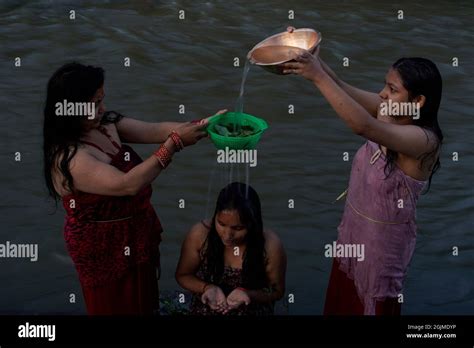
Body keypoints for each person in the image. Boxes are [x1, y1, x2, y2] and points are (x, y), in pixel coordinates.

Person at [43, 62, 226, 315]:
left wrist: (207, 125)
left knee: (143, 300)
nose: (103, 108)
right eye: (95, 104)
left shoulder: (107, 125)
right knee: (114, 305)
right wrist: (173, 145)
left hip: (136, 230)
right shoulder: (71, 158)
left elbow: (157, 130)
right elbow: (128, 184)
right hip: (101, 246)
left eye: (102, 100)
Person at [284, 28, 443, 315]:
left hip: (381, 250)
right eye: (385, 85)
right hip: (354, 235)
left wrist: (317, 75)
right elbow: (344, 89)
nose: (383, 94)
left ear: (418, 101)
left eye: (392, 90)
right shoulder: (390, 110)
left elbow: (363, 126)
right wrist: (312, 60)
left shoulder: (423, 140)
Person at [175, 182, 287, 315]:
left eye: (238, 228)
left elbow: (276, 290)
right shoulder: (200, 234)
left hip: (251, 307)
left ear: (253, 224)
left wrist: (248, 294)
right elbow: (183, 275)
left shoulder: (270, 245)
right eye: (221, 224)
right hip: (208, 303)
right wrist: (207, 288)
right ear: (215, 215)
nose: (227, 235)